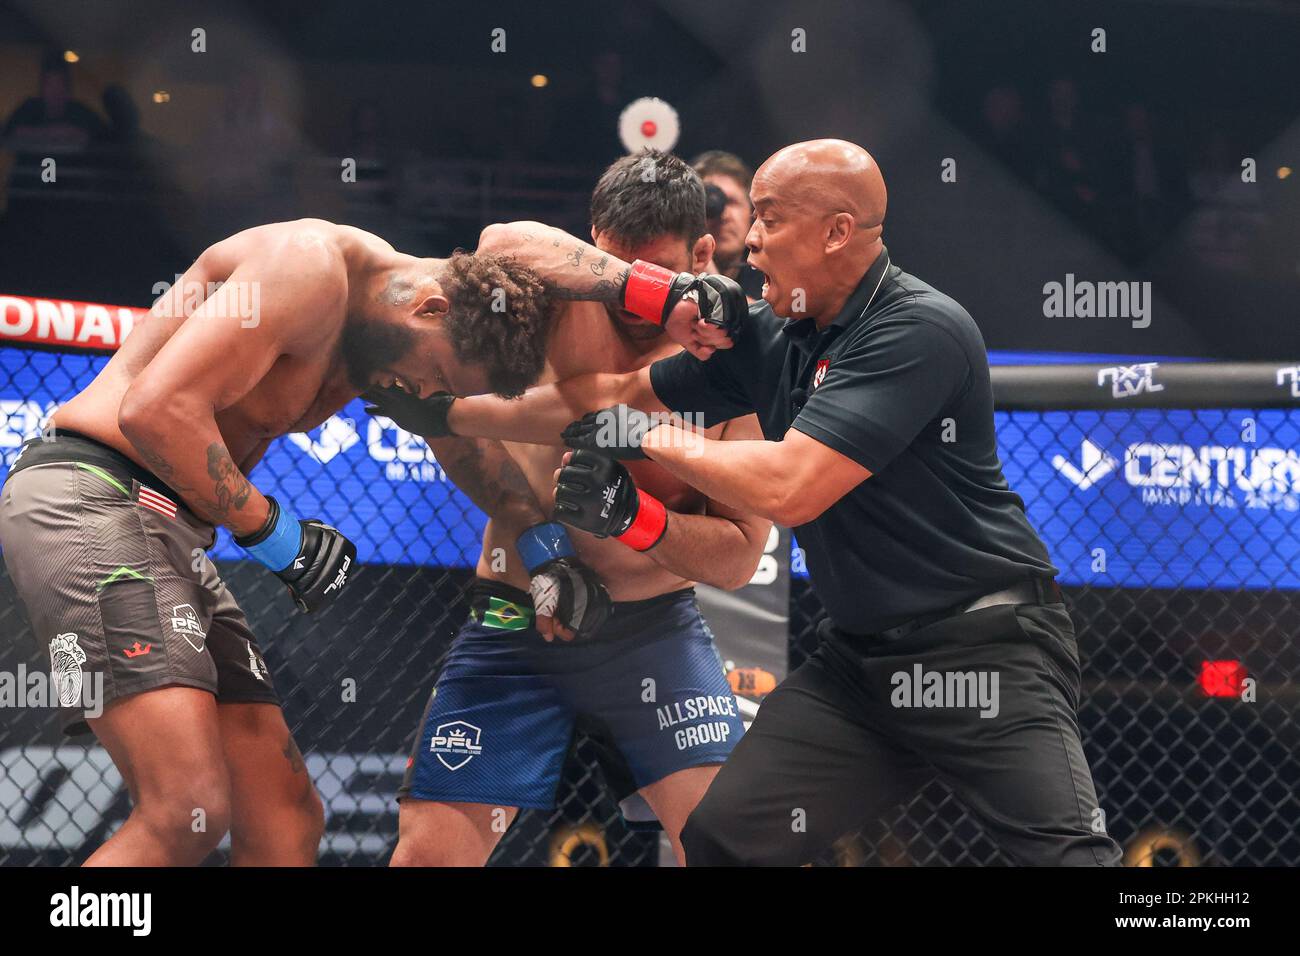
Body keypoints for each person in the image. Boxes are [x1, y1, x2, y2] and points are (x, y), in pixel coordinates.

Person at [430, 139, 1124, 866]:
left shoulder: (919, 329)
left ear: (837, 231)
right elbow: (613, 395)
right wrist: (451, 414)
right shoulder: (770, 335)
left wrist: (646, 438)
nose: (751, 237)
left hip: (984, 652)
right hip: (860, 666)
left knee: (1070, 860)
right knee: (724, 840)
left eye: (770, 217)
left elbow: (789, 486)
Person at [0, 215, 735, 866]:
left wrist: (545, 551)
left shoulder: (388, 349)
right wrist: (273, 533)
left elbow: (465, 448)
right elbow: (154, 411)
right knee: (184, 811)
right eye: (434, 377)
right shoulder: (307, 269)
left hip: (174, 533)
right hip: (94, 496)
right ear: (431, 307)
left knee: (287, 821)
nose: (419, 397)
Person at [371, 152, 769, 866]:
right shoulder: (562, 296)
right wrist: (648, 287)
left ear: (703, 253)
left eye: (661, 271)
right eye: (621, 274)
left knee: (729, 849)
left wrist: (637, 519)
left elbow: (740, 557)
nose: (633, 310)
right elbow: (498, 241)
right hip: (516, 619)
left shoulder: (737, 352)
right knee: (428, 857)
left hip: (653, 633)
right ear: (594, 247)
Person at [692, 150, 764, 299]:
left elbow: (768, 314)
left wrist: (710, 276)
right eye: (711, 203)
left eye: (732, 202)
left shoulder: (770, 273)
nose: (724, 216)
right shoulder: (674, 269)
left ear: (752, 212)